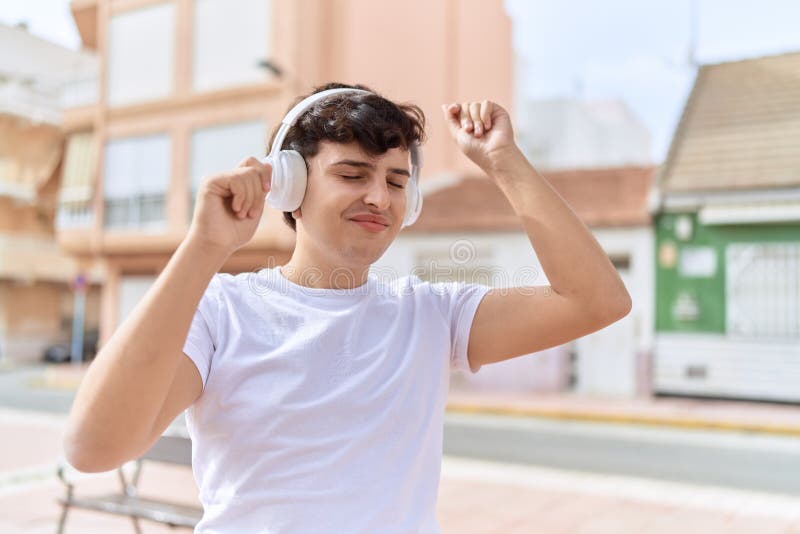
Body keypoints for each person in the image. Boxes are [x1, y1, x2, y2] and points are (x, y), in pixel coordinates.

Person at [63, 82, 631, 533]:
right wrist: (204, 249)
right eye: (352, 175)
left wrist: (503, 160)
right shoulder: (222, 308)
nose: (379, 198)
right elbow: (94, 449)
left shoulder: (432, 314)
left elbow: (596, 300)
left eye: (396, 181)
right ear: (289, 187)